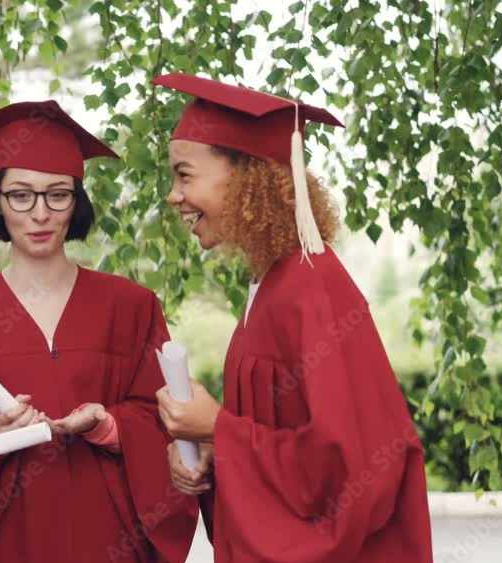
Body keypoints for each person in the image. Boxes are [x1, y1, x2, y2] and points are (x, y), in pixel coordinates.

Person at [0, 100, 198, 563]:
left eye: (58, 194)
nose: (40, 213)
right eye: (20, 194)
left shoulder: (131, 307)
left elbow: (173, 427)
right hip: (2, 545)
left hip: (110, 542)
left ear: (77, 202)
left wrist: (111, 426)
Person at [152, 72, 434, 562]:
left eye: (184, 174)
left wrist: (218, 429)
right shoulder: (272, 283)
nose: (173, 195)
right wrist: (212, 455)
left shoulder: (310, 290)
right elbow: (283, 443)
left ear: (244, 177)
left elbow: (352, 468)